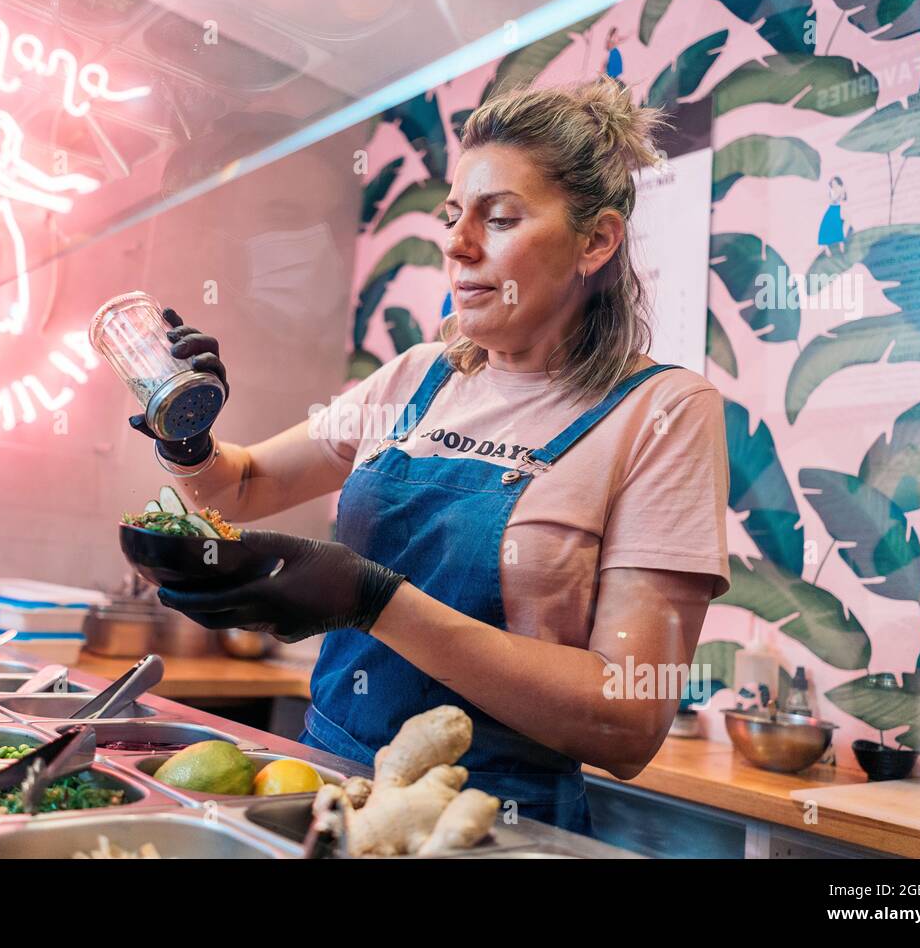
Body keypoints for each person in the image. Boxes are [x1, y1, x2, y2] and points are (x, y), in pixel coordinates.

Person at [132, 78, 731, 835]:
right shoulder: (419, 375)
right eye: (452, 214)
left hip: (491, 826)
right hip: (329, 797)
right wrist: (187, 434)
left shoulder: (664, 412)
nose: (456, 242)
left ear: (596, 241)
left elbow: (628, 721)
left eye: (500, 217)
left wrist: (374, 601)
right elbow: (242, 488)